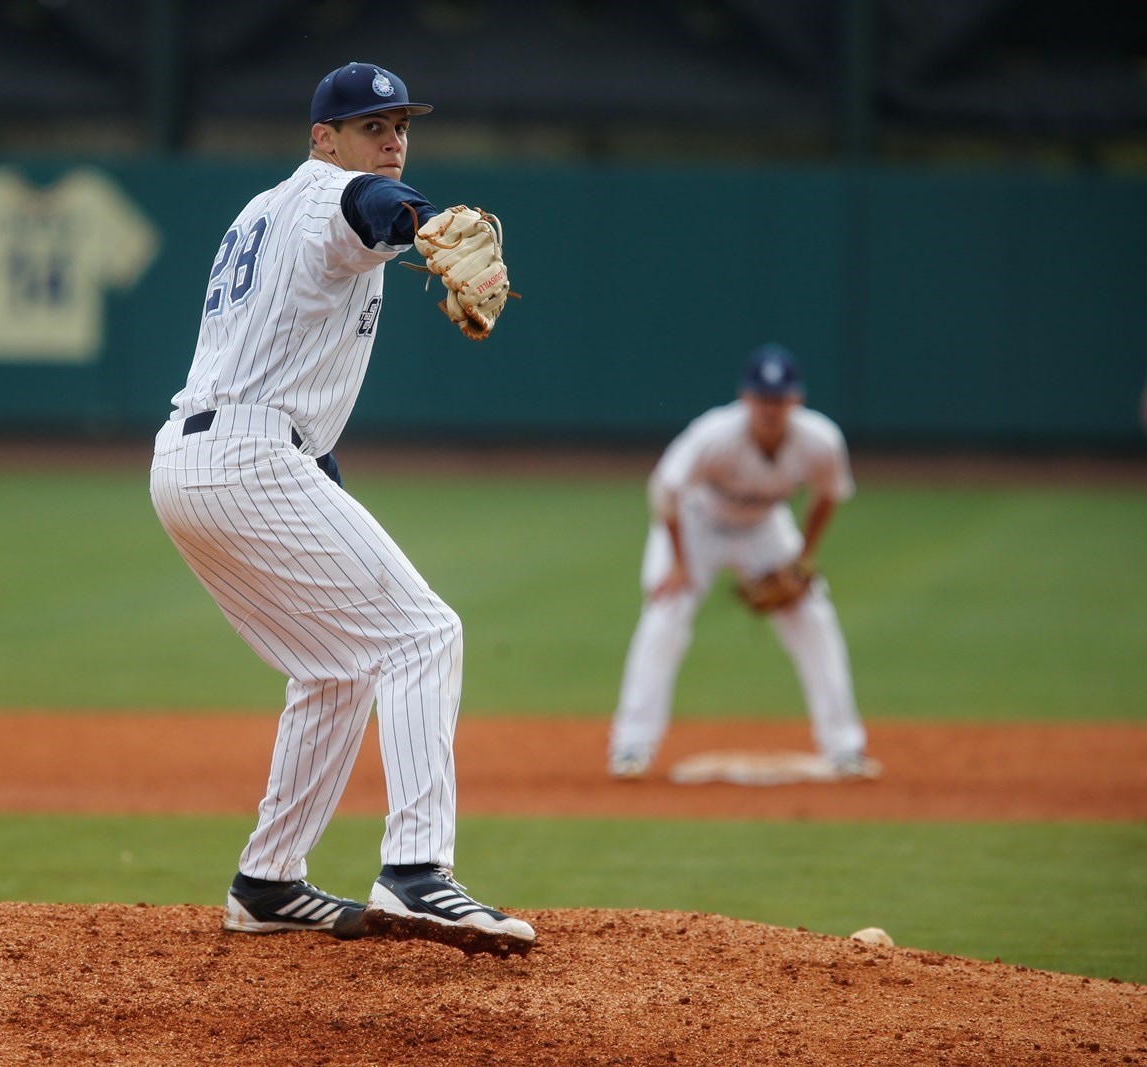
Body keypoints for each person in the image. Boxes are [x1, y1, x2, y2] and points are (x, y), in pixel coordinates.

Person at [149, 62, 534, 952]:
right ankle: (416, 872)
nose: (391, 139)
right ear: (323, 138)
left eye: (400, 124)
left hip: (200, 462)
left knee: (337, 665)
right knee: (422, 635)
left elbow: (302, 400)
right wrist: (426, 218)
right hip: (244, 454)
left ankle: (269, 881)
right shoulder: (335, 195)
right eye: (371, 125)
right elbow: (368, 208)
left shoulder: (262, 209)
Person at [607, 343, 871, 780]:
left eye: (779, 399)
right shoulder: (714, 435)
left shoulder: (820, 440)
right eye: (762, 398)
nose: (770, 408)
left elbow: (830, 494)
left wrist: (803, 560)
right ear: (746, 398)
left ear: (796, 400)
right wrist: (678, 564)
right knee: (665, 614)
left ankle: (845, 748)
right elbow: (664, 490)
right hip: (695, 524)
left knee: (812, 614)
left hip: (764, 529)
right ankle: (631, 745)